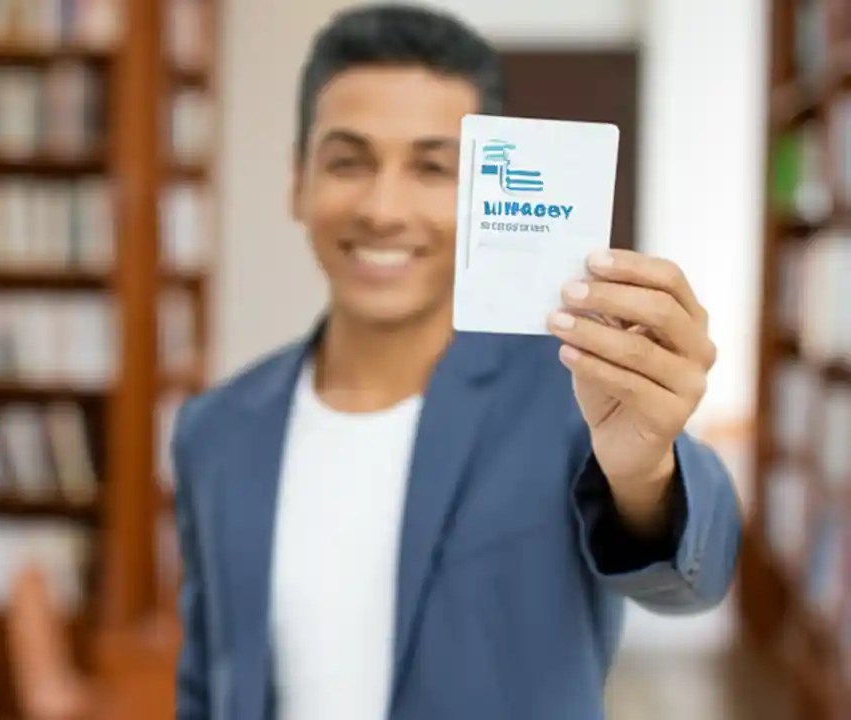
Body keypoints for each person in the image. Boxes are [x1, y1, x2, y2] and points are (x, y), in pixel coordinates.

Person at [169, 4, 742, 720]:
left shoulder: (573, 396)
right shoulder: (214, 431)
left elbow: (696, 576)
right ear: (298, 182)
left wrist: (646, 471)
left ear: (481, 194)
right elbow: (205, 684)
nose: (383, 207)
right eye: (349, 161)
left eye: (431, 168)